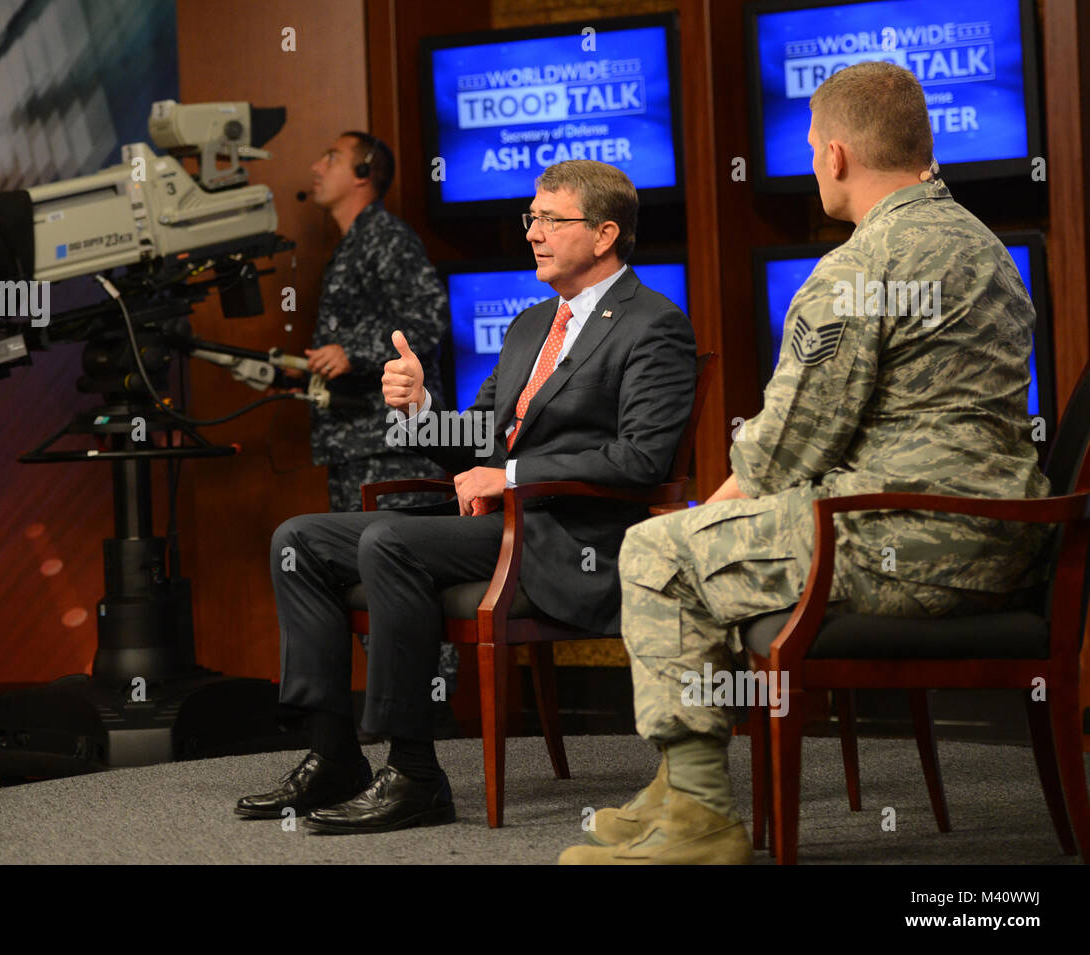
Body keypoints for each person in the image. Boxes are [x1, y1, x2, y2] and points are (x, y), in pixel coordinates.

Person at [559, 61, 1052, 865]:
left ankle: (699, 817)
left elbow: (786, 450)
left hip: (903, 542)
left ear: (836, 157)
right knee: (699, 544)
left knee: (655, 550)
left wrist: (703, 518)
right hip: (1004, 543)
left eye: (813, 147)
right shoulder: (987, 247)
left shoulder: (858, 269)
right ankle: (678, 786)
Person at [236, 160, 697, 833]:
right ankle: (334, 754)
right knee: (298, 540)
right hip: (501, 526)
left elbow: (642, 457)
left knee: (387, 540)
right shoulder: (532, 323)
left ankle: (416, 775)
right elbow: (482, 438)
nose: (533, 233)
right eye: (530, 219)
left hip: (572, 536)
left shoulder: (653, 324)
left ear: (603, 236)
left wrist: (510, 477)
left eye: (549, 220)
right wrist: (423, 407)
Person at [302, 131, 460, 710]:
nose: (316, 166)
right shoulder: (352, 244)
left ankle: (433, 724)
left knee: (406, 585)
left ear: (365, 171)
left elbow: (428, 317)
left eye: (331, 157)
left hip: (394, 446)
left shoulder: (387, 236)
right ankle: (400, 718)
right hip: (357, 446)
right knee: (364, 587)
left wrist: (356, 351)